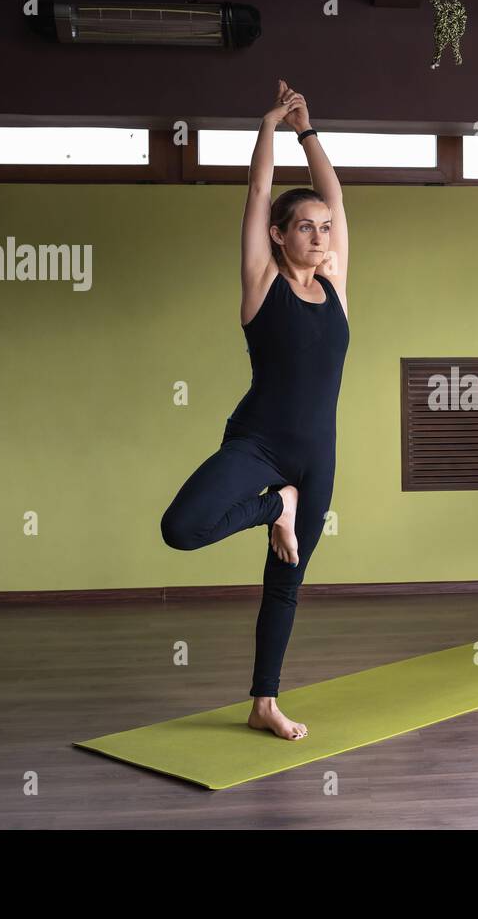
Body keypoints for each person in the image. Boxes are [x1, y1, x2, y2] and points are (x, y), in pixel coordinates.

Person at [160, 79, 350, 741]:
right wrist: (270, 125)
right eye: (307, 226)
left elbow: (337, 197)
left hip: (317, 456)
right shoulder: (262, 282)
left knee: (286, 582)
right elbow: (259, 193)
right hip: (258, 445)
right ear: (278, 236)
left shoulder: (336, 284)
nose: (321, 234)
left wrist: (310, 130)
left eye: (326, 228)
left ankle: (265, 701)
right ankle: (277, 505)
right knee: (182, 527)